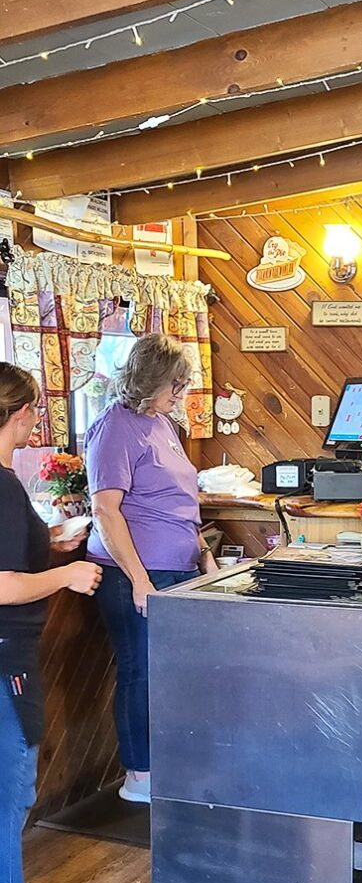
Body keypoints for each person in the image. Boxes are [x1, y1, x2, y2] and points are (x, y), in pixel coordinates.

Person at [0, 363, 101, 883]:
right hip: (5, 661)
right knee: (10, 802)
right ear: (12, 414)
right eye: (33, 411)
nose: (38, 421)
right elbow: (3, 583)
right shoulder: (3, 487)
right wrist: (65, 574)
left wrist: (52, 547)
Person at [85, 335, 217, 805]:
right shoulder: (115, 427)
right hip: (134, 575)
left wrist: (202, 551)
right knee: (140, 670)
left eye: (183, 386)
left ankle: (171, 764)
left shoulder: (161, 423)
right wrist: (140, 580)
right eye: (174, 385)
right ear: (149, 380)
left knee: (173, 672)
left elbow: (176, 499)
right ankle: (139, 775)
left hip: (177, 567)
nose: (180, 395)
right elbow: (105, 510)